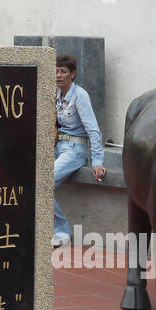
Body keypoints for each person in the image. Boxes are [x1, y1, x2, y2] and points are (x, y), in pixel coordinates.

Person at [53, 54, 106, 249]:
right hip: (58, 148)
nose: (58, 75)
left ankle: (62, 232)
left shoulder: (79, 95)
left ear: (72, 74)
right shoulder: (55, 94)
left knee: (42, 184)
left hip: (75, 150)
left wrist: (97, 160)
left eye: (63, 72)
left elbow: (93, 129)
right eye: (56, 71)